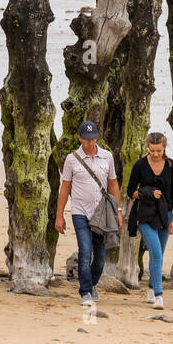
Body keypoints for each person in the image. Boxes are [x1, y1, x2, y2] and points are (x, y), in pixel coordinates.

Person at [54, 120, 123, 305]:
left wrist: (118, 210)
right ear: (79, 138)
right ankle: (85, 292)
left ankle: (92, 284)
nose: (90, 143)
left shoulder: (107, 157)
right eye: (86, 139)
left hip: (101, 213)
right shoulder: (71, 159)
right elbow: (65, 187)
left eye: (93, 139)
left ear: (97, 138)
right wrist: (59, 215)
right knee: (85, 251)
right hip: (80, 211)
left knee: (101, 256)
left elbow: (113, 183)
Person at [126, 131, 173, 308]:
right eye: (152, 151)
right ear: (147, 148)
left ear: (164, 148)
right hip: (145, 215)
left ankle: (150, 289)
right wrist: (148, 193)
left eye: (158, 151)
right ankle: (158, 295)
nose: (155, 154)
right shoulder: (140, 165)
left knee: (159, 254)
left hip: (166, 215)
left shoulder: (172, 166)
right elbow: (130, 191)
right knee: (156, 253)